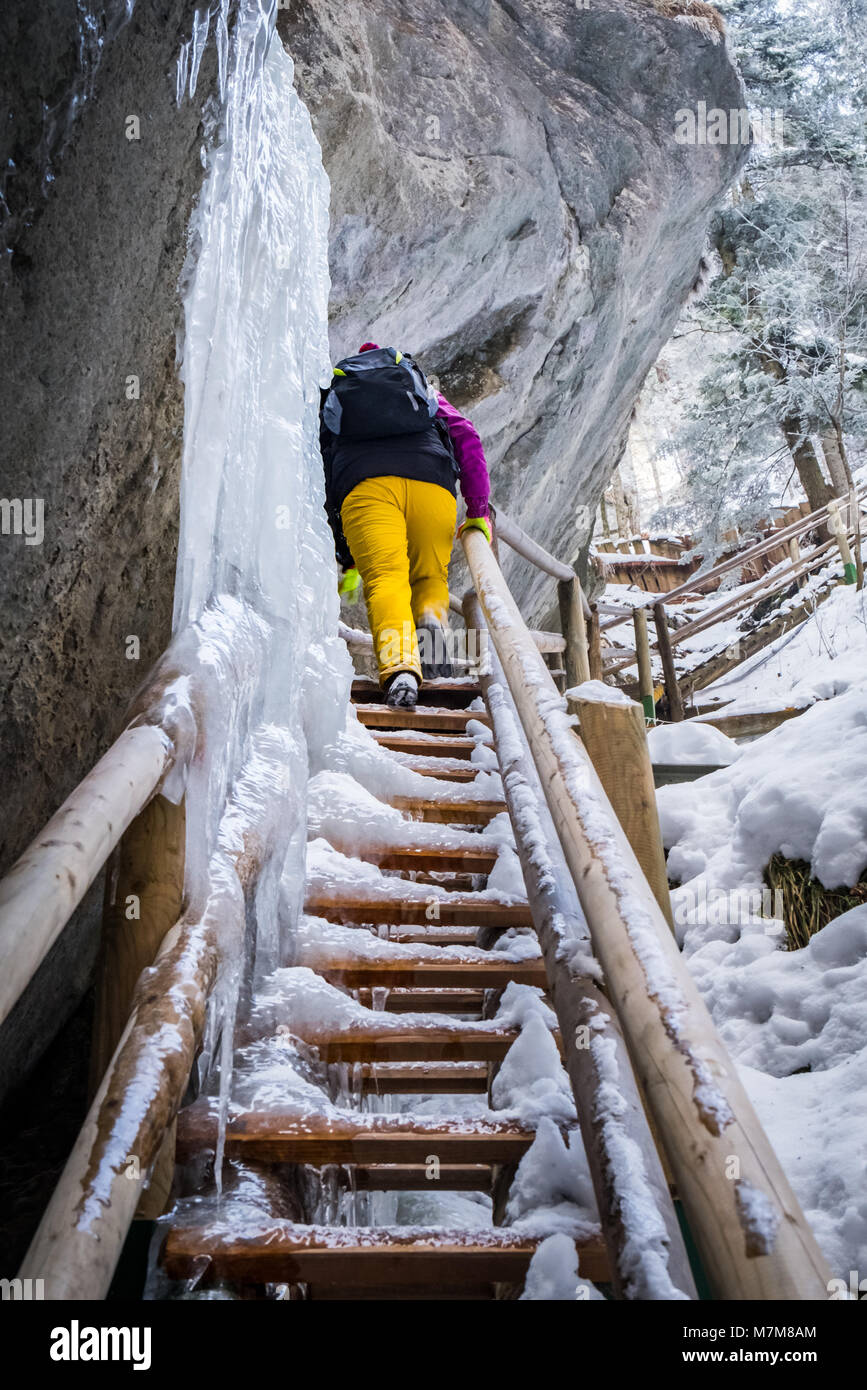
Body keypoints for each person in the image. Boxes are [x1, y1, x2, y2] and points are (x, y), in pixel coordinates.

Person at [321, 342, 492, 708]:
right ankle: (432, 628)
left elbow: (328, 474)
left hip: (366, 485)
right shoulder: (418, 388)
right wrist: (478, 511)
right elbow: (467, 435)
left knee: (387, 580)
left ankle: (401, 669)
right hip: (432, 485)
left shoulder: (337, 397)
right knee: (430, 579)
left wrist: (347, 559)